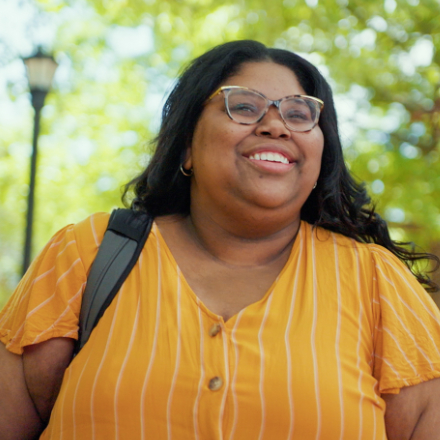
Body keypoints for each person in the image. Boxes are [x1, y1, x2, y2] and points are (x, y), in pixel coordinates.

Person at [1, 40, 440, 440]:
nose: (275, 125)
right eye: (244, 107)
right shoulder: (88, 253)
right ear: (187, 146)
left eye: (300, 113)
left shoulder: (376, 283)